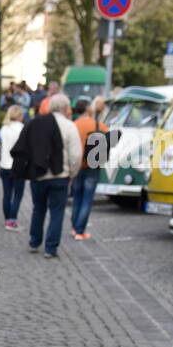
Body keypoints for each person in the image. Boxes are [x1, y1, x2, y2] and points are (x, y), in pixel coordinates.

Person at [10, 93, 81, 258]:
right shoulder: (69, 126)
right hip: (60, 175)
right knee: (57, 212)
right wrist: (72, 172)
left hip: (38, 174)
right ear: (65, 108)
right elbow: (75, 155)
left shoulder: (36, 123)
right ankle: (50, 248)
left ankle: (34, 242)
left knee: (38, 209)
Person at [70, 95, 108, 240]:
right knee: (87, 198)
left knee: (77, 197)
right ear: (88, 109)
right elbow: (110, 139)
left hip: (77, 164)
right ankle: (80, 231)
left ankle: (74, 228)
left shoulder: (73, 125)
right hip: (93, 164)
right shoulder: (98, 125)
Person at [0, 104, 26, 230]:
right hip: (18, 166)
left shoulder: (3, 129)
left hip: (4, 165)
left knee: (7, 194)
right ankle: (12, 220)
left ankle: (6, 219)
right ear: (19, 115)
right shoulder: (22, 128)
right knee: (18, 194)